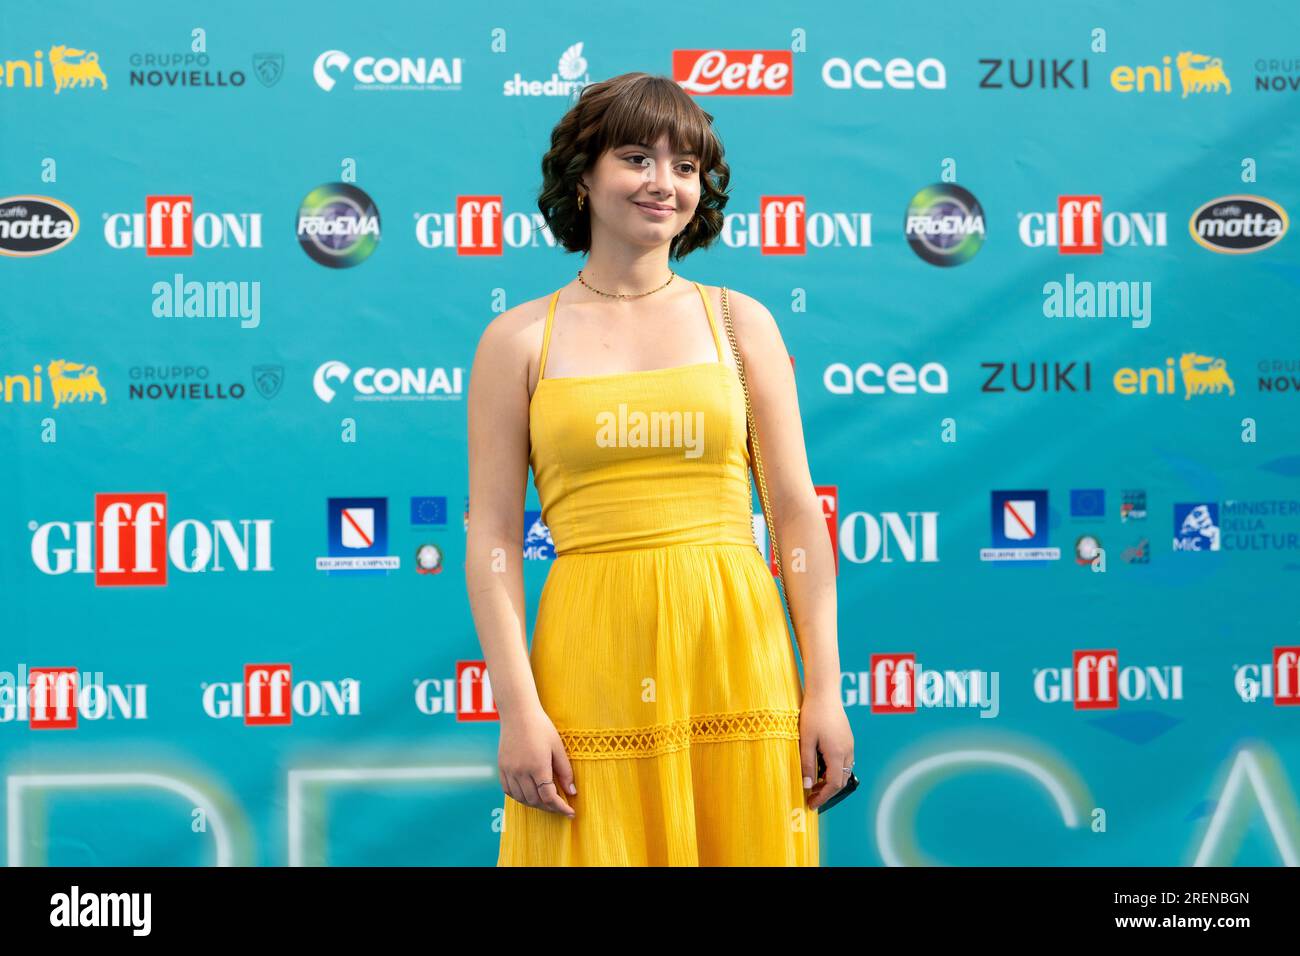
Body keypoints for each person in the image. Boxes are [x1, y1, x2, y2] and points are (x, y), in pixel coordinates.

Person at [466, 72, 851, 866]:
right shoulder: (517, 340)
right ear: (582, 176)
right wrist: (517, 709)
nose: (663, 183)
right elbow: (495, 537)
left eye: (685, 166)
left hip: (735, 650)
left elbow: (794, 512)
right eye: (637, 158)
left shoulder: (740, 322)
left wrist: (825, 690)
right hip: (590, 655)